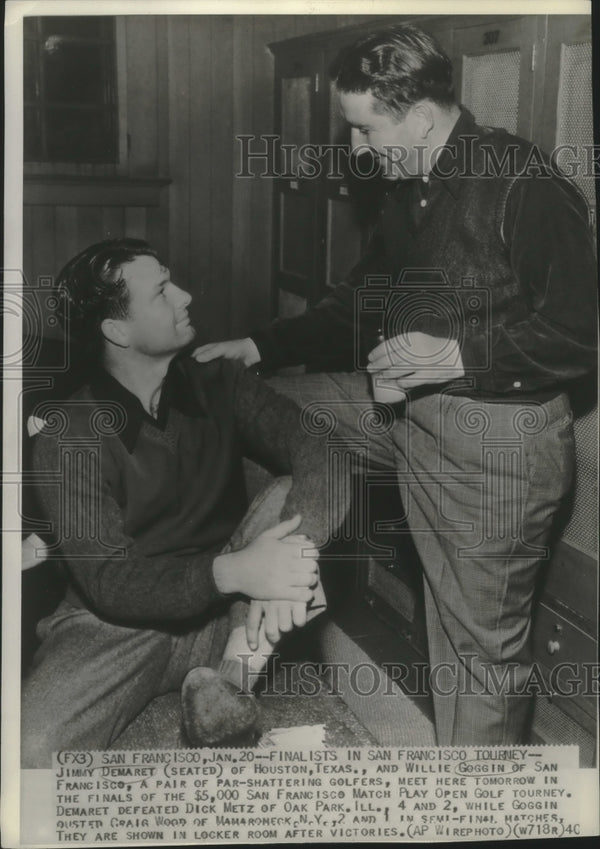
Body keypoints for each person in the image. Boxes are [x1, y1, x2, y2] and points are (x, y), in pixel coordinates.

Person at [194, 24, 598, 745]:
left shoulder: (523, 182)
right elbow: (360, 301)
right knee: (249, 400)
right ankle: (257, 622)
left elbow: (581, 333)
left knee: (477, 657)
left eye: (362, 127)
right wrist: (261, 344)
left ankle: (474, 812)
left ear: (418, 116)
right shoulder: (402, 186)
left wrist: (460, 356)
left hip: (497, 442)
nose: (353, 149)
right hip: (398, 413)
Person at [22, 238, 348, 767]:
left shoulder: (220, 379)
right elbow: (111, 582)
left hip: (229, 617)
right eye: (162, 292)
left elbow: (317, 447)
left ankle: (227, 681)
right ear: (117, 330)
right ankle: (213, 685)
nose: (186, 295)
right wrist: (234, 571)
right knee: (29, 756)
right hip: (115, 629)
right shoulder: (68, 435)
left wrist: (295, 555)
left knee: (291, 498)